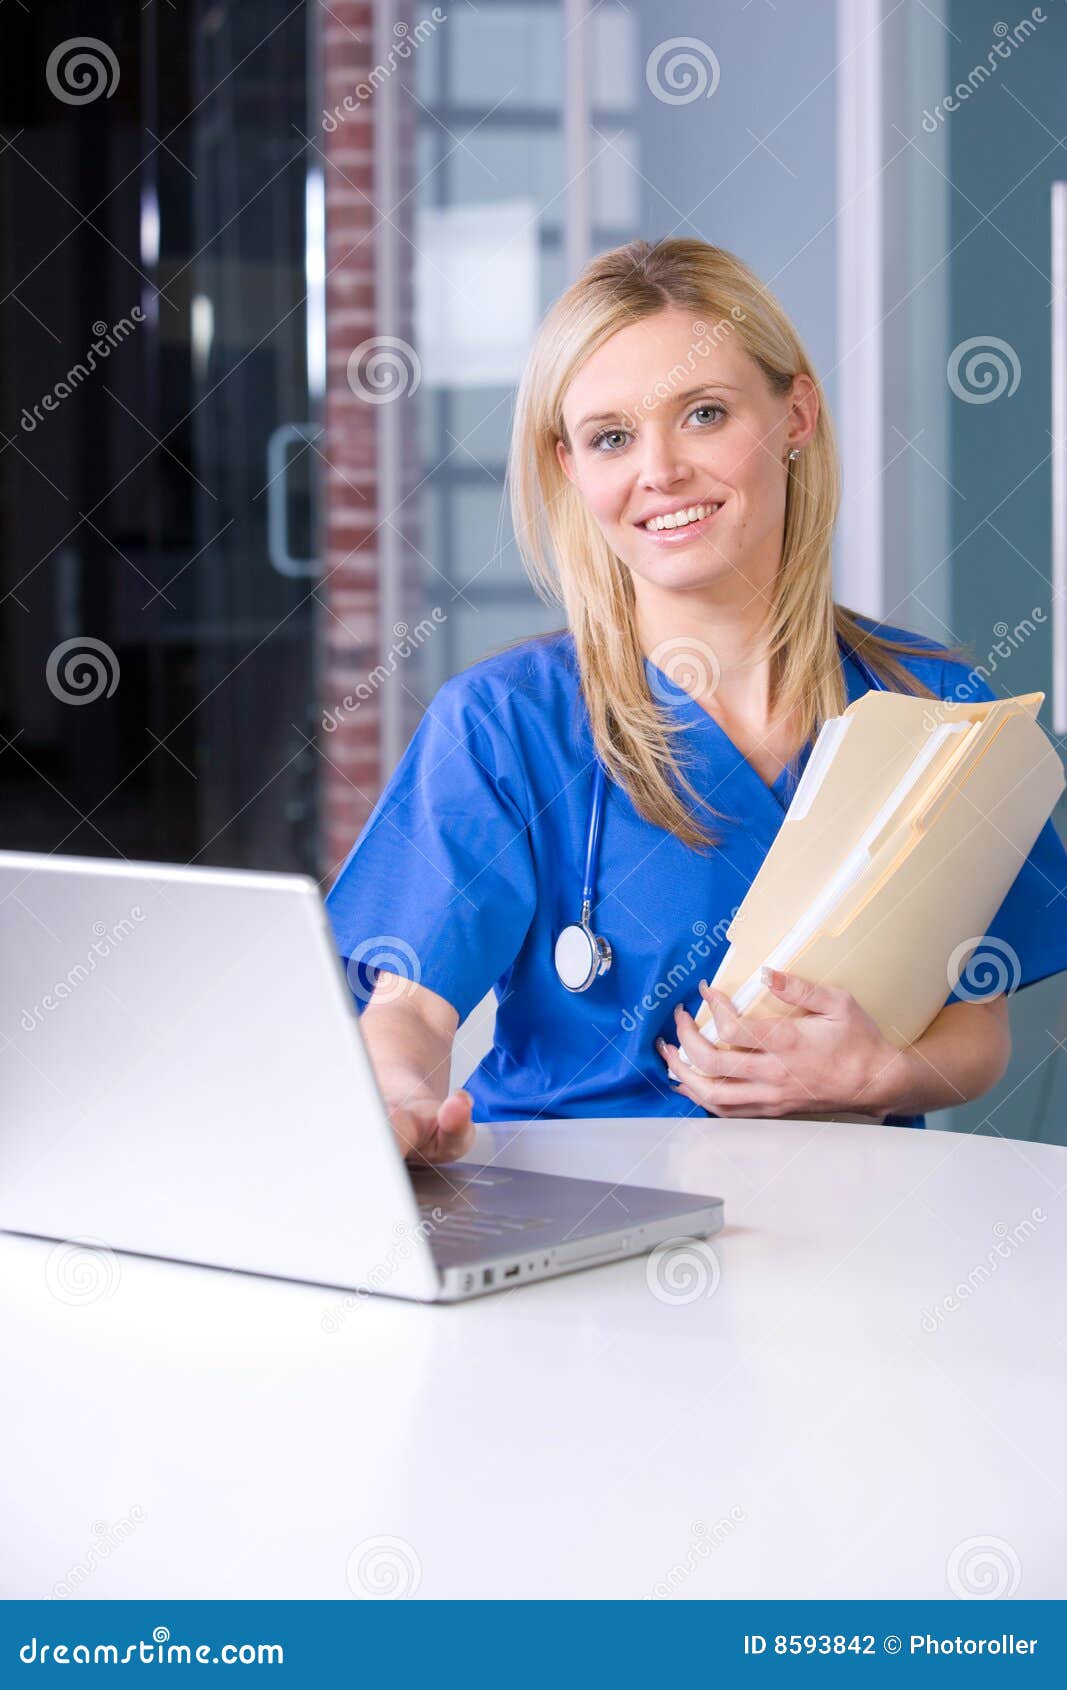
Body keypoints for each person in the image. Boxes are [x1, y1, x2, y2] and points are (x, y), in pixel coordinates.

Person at [324, 237, 1067, 1165]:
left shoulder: (937, 709)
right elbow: (407, 1008)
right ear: (568, 466)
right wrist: (398, 1104)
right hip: (569, 1225)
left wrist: (876, 1078)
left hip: (850, 1226)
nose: (661, 470)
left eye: (704, 414)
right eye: (610, 438)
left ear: (795, 412)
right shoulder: (505, 725)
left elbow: (975, 1026)